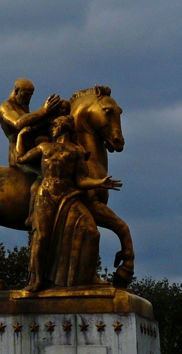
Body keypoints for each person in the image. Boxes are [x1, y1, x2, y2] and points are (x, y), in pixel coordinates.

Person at [15, 116, 121, 293]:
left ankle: (88, 276)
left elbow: (81, 180)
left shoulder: (76, 151)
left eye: (54, 126)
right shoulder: (44, 147)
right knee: (41, 237)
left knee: (92, 232)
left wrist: (100, 182)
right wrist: (21, 137)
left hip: (68, 196)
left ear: (61, 128)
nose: (52, 129)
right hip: (46, 195)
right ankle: (38, 279)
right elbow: (20, 158)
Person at [0, 78, 66, 169]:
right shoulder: (6, 107)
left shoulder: (24, 108)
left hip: (32, 151)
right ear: (17, 91)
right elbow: (17, 122)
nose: (29, 98)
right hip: (19, 155)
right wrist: (44, 110)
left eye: (31, 95)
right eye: (26, 94)